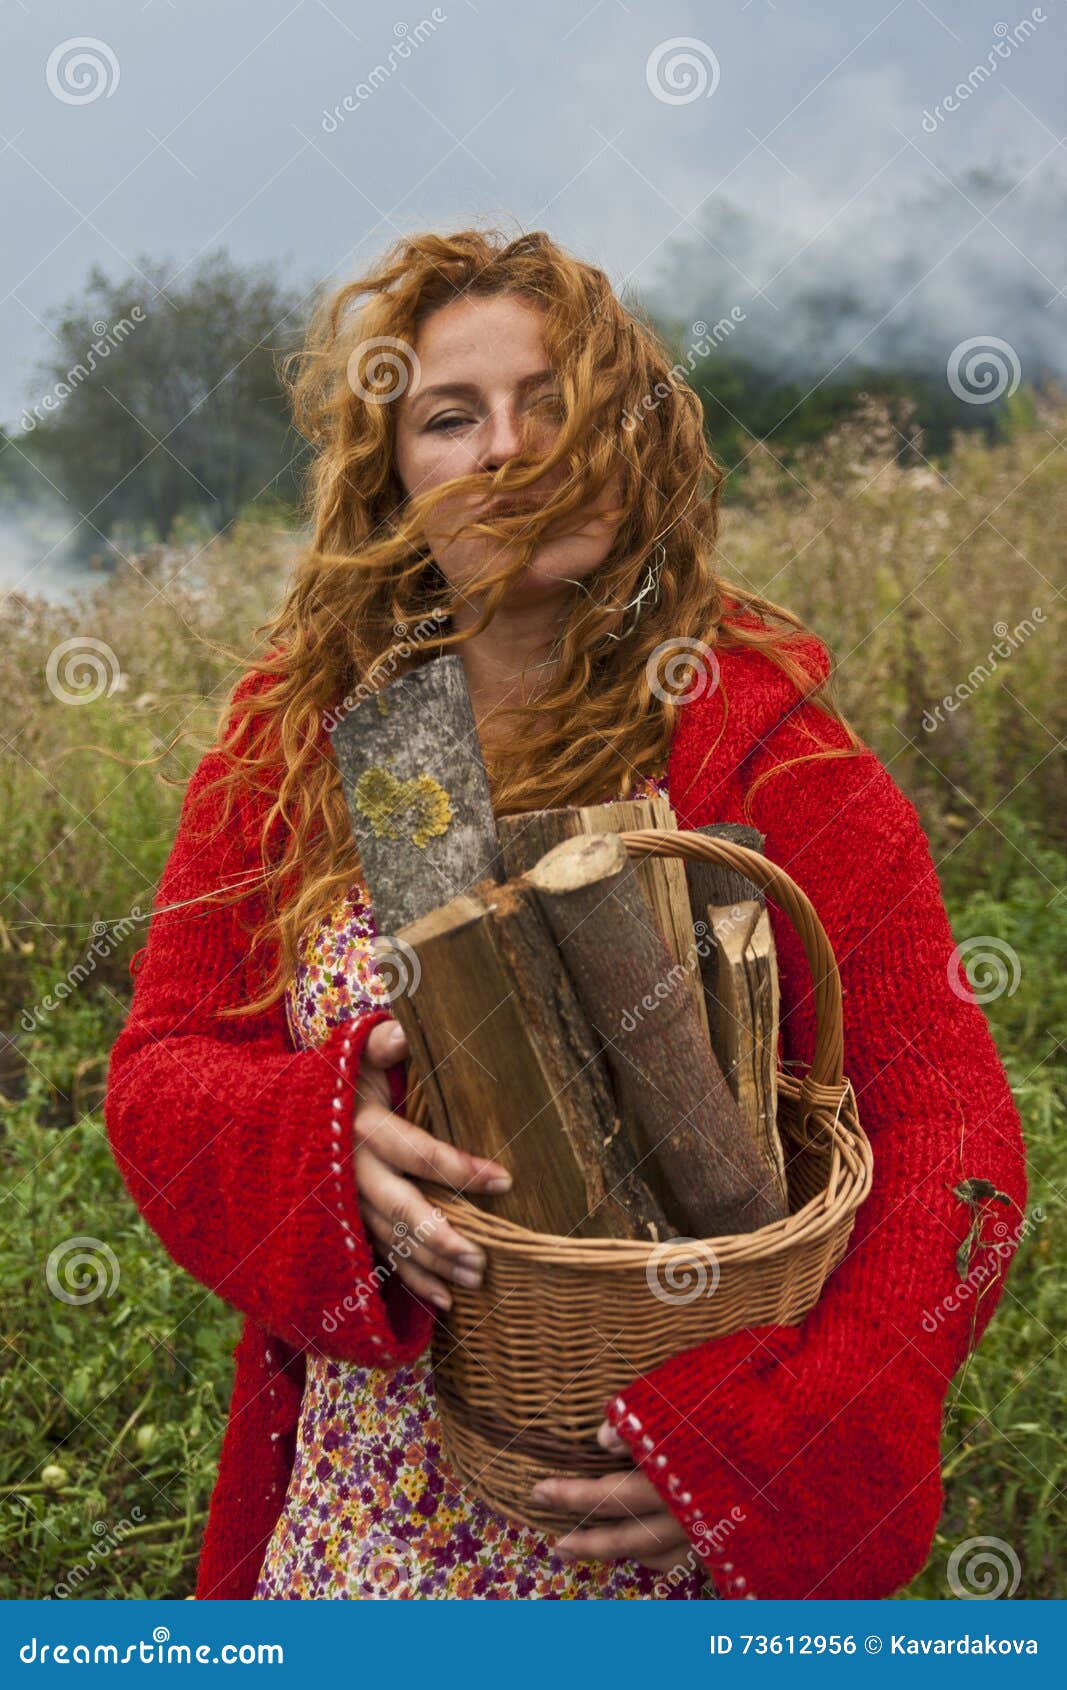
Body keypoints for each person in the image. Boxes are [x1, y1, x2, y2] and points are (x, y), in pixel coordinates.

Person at [104, 227, 1027, 1601]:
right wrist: (315, 1135)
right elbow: (161, 1071)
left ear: (629, 439)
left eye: (552, 404)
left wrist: (782, 1441)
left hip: (656, 1534)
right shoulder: (305, 739)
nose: (505, 450)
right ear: (397, 475)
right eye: (450, 417)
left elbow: (961, 1142)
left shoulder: (758, 740)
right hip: (363, 1541)